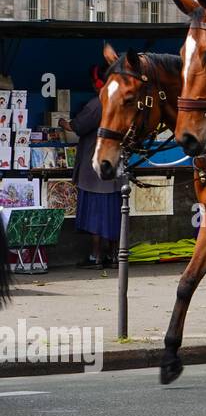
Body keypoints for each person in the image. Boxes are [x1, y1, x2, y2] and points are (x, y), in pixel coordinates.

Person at [59, 65, 119, 269]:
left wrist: (62, 123)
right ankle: (113, 256)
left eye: (94, 82)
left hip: (95, 173)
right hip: (115, 171)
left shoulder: (97, 105)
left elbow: (77, 126)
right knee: (114, 216)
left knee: (96, 217)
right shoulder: (119, 102)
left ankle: (96, 257)